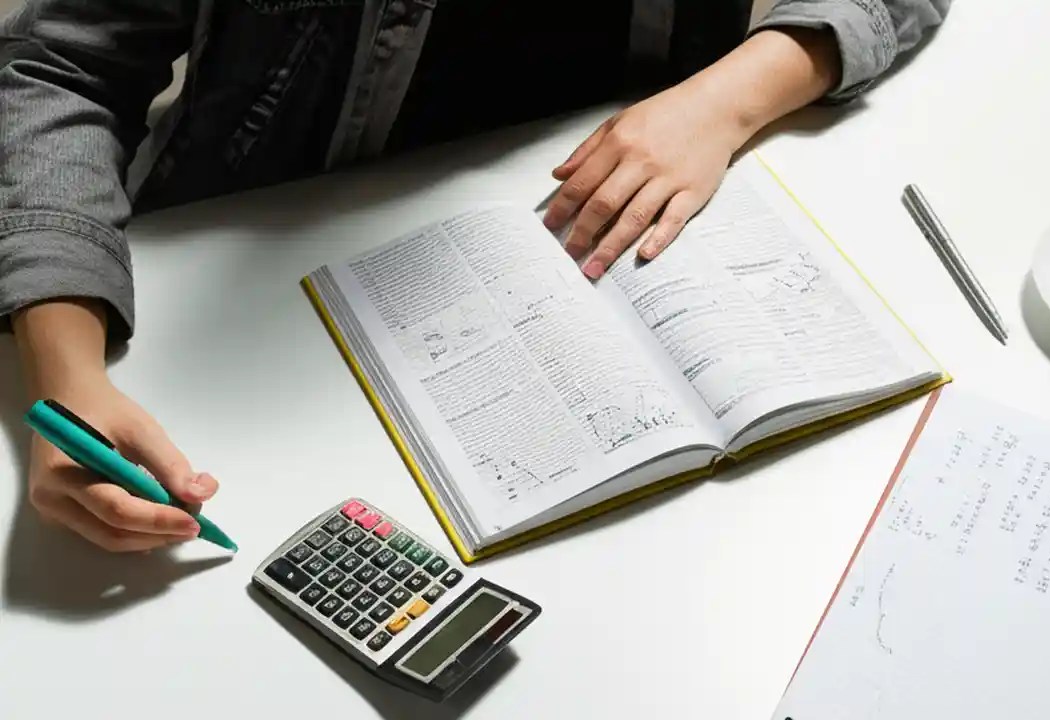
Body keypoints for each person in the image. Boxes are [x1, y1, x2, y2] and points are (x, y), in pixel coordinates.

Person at [0, 0, 949, 553]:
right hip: (278, 248)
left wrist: (725, 99)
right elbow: (56, 70)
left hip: (624, 236)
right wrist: (67, 370)